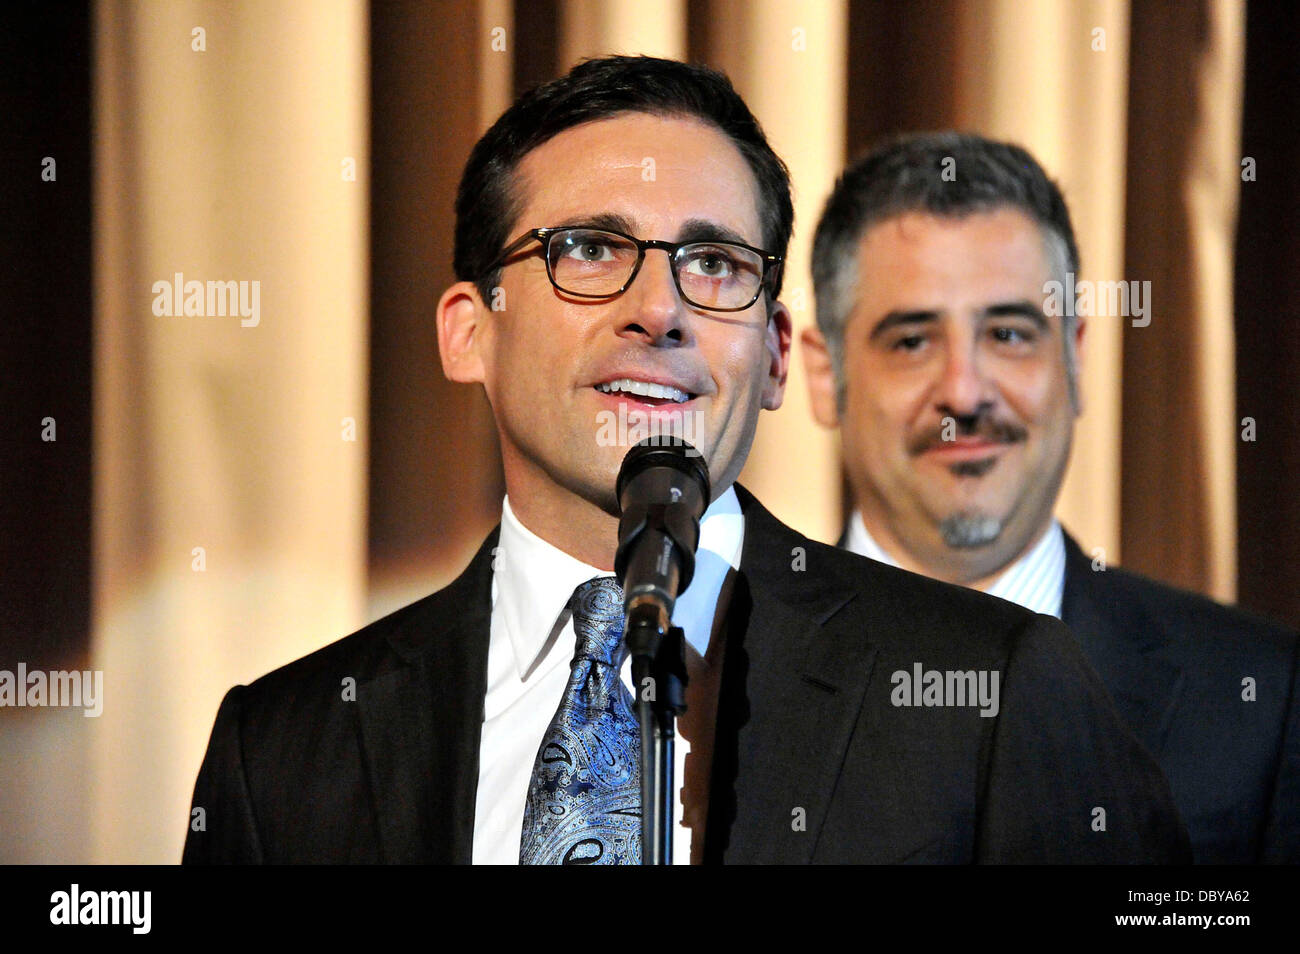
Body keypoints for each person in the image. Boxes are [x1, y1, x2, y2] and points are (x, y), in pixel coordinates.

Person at [183, 58, 1187, 865]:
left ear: (777, 357)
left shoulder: (994, 689)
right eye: (587, 248)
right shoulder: (279, 748)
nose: (659, 310)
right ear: (468, 331)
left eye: (714, 265)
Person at [802, 131, 1299, 864]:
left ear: (1075, 357)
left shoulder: (1259, 699)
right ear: (824, 376)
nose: (964, 394)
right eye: (911, 341)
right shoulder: (713, 676)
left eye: (1008, 333)